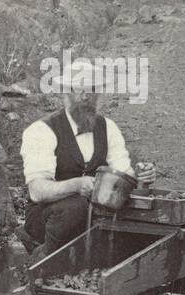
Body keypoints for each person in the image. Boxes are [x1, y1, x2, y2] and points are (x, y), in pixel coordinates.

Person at [19, 60, 155, 260]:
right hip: (47, 217)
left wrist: (142, 176)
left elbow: (123, 174)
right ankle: (43, 257)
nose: (86, 97)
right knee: (75, 207)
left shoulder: (108, 128)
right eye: (79, 90)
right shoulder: (42, 130)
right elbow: (37, 191)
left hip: (94, 214)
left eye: (92, 90)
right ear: (65, 92)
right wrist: (76, 185)